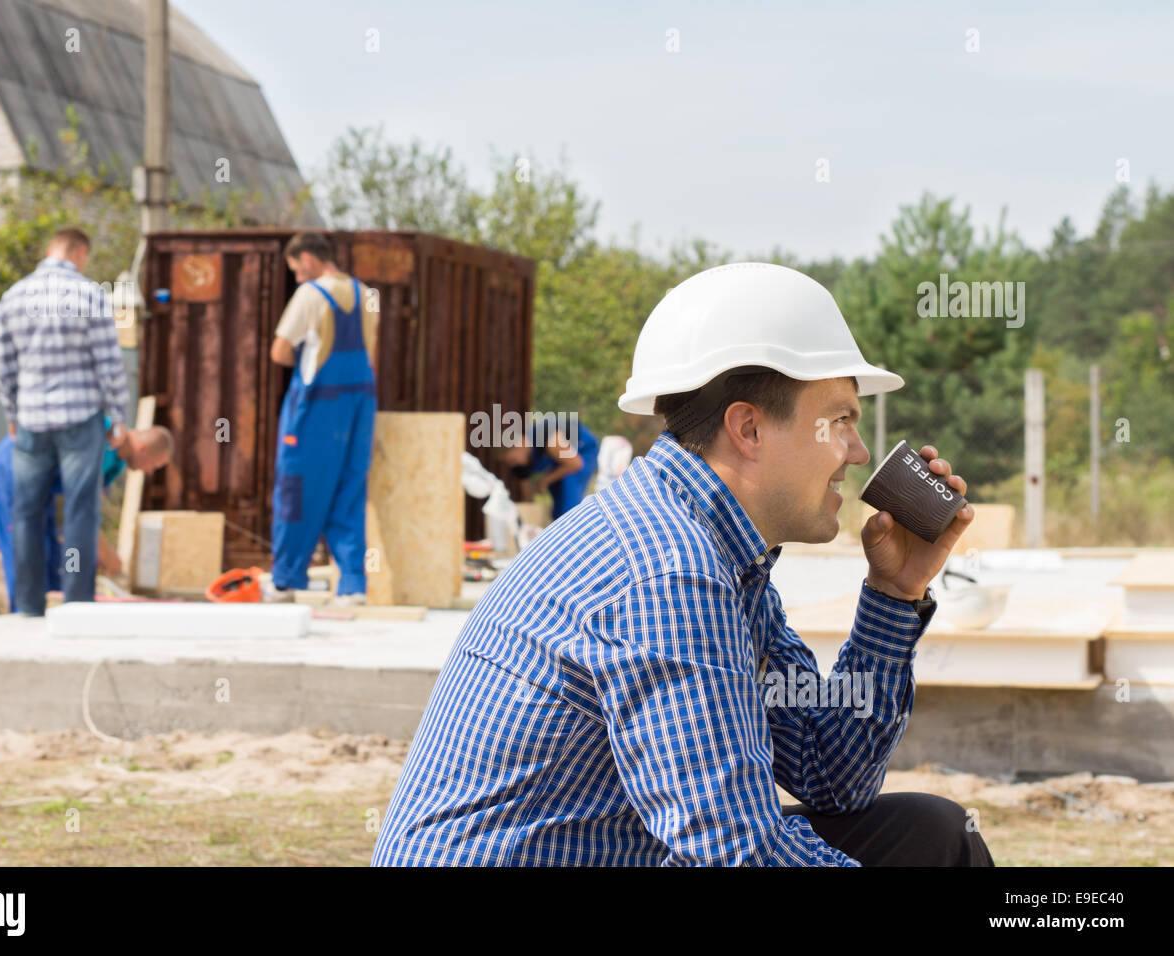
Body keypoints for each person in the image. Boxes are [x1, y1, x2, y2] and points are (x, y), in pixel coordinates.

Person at [373, 262, 991, 867]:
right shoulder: (669, 571)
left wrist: (894, 591)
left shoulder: (717, 552)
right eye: (839, 421)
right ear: (748, 428)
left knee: (929, 835)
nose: (857, 452)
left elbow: (832, 775)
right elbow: (737, 855)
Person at [0, 227, 130, 615]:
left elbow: (2, 366)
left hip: (32, 419)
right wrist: (118, 416)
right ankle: (76, 602)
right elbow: (110, 364)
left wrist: (12, 414)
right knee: (80, 510)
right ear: (79, 251)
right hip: (80, 417)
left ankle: (29, 605)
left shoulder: (13, 296)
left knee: (27, 512)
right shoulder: (89, 294)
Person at [266, 232, 380, 607]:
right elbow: (372, 355)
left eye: (297, 270)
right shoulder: (368, 294)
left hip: (317, 407)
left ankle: (285, 580)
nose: (298, 278)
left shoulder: (310, 295)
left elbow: (280, 352)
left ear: (309, 260)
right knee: (349, 493)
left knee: (297, 491)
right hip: (360, 406)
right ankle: (352, 586)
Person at [0, 421, 173, 611]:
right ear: (143, 449)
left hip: (46, 483)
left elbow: (81, 519)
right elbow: (80, 521)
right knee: (25, 549)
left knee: (52, 552)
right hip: (17, 466)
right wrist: (106, 557)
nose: (149, 472)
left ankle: (54, 606)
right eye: (154, 465)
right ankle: (24, 614)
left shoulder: (115, 460)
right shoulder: (101, 440)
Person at [498, 416, 600, 521]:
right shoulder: (518, 463)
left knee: (568, 502)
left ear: (518, 444)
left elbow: (575, 464)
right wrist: (529, 518)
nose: (512, 465)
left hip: (582, 452)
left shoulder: (547, 438)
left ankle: (573, 524)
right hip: (560, 461)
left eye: (513, 460)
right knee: (557, 507)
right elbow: (527, 491)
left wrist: (545, 480)